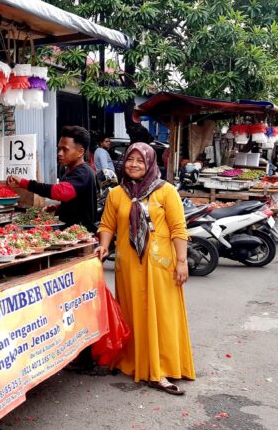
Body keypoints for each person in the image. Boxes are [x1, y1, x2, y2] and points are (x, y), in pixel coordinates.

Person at [94, 143, 194, 395]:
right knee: (132, 312)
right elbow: (107, 224)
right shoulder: (117, 193)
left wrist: (181, 262)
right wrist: (104, 247)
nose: (134, 165)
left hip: (160, 264)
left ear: (150, 163)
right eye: (130, 159)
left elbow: (178, 229)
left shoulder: (166, 191)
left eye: (140, 160)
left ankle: (160, 370)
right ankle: (133, 362)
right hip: (128, 264)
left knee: (161, 315)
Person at [6, 125, 97, 232]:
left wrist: (24, 183)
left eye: (65, 150)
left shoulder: (84, 172)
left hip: (83, 236)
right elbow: (75, 201)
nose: (59, 153)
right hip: (69, 234)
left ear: (80, 152)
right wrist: (58, 207)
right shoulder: (68, 172)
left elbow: (60, 192)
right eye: (59, 149)